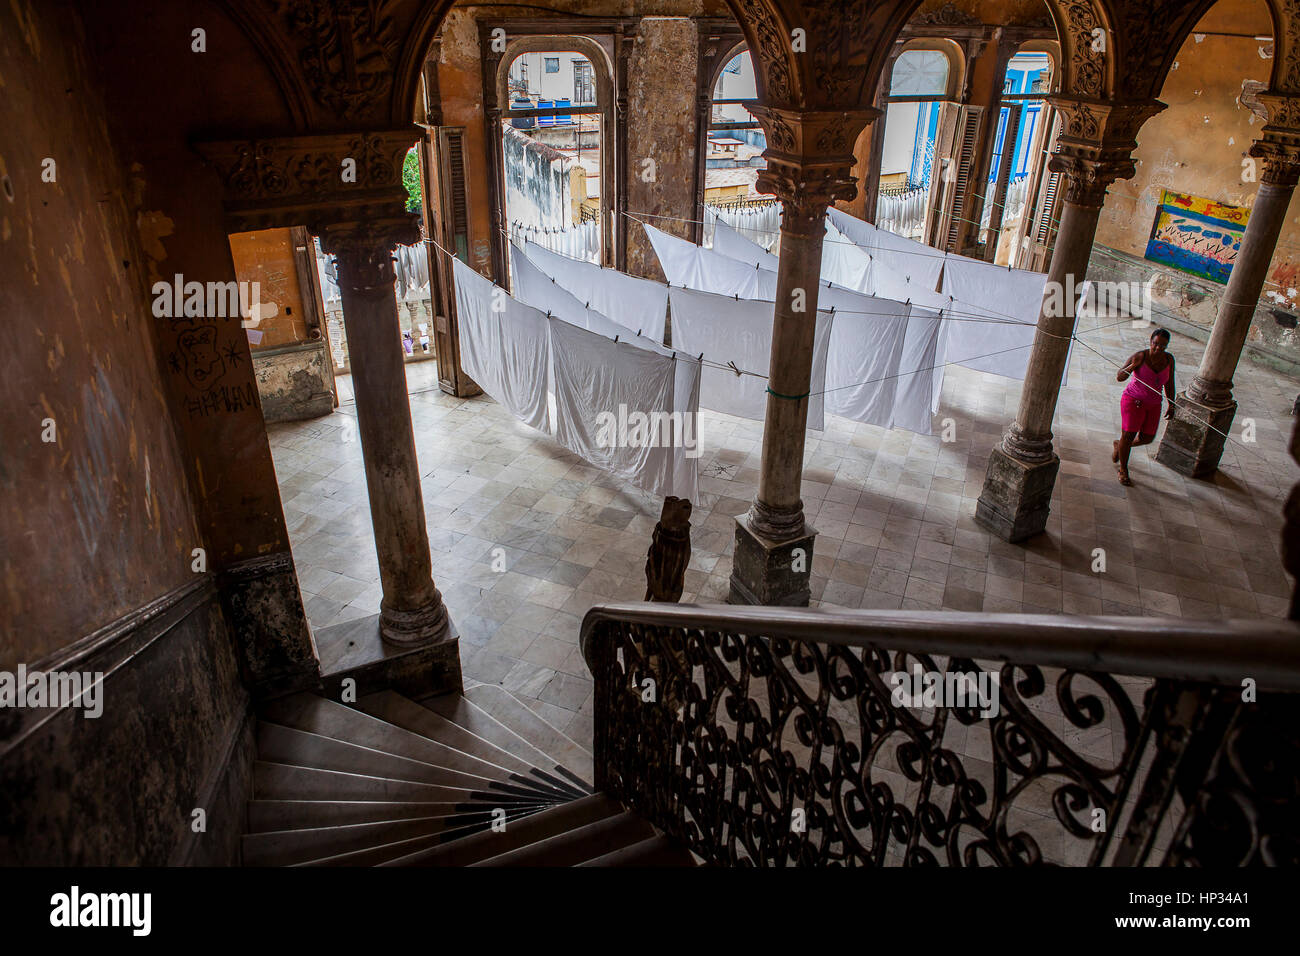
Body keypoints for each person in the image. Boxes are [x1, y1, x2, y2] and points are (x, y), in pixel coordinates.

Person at [1112, 328, 1176, 486]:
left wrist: (1171, 403)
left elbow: (1169, 382)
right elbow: (1120, 377)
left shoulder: (1169, 360)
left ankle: (1120, 446)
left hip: (1154, 403)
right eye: (1155, 344)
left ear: (1167, 345)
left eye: (1162, 345)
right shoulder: (1140, 356)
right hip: (1133, 400)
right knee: (1128, 435)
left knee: (1147, 438)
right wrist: (1132, 366)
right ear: (1150, 341)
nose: (1158, 348)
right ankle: (1123, 470)